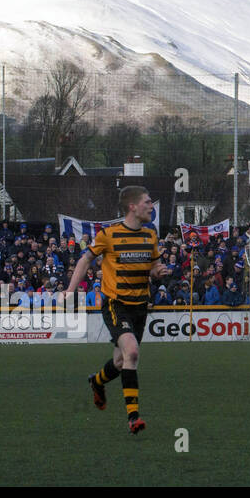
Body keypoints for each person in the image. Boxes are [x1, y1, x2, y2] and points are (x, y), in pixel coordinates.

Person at [64, 186, 164, 435]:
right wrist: (70, 290)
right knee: (132, 352)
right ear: (133, 206)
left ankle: (96, 382)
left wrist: (158, 272)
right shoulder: (108, 234)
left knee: (121, 361)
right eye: (148, 202)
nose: (151, 206)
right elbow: (85, 259)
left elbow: (154, 265)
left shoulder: (150, 235)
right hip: (115, 303)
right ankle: (133, 418)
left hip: (140, 306)